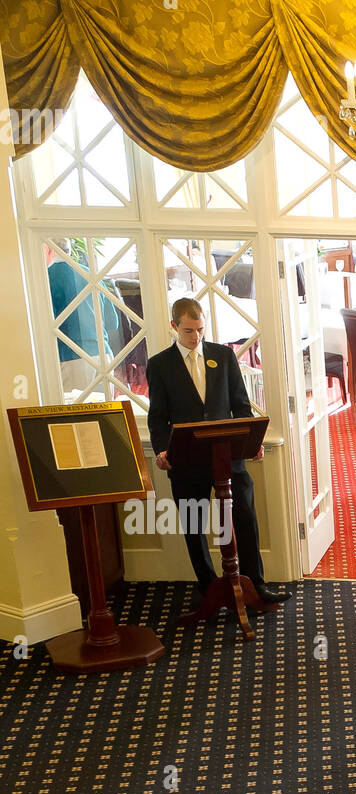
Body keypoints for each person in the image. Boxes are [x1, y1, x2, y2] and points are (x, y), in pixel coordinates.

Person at [146, 296, 288, 606]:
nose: (195, 337)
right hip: (186, 460)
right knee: (195, 524)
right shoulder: (159, 365)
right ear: (174, 327)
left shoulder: (223, 357)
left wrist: (251, 442)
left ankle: (257, 585)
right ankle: (208, 588)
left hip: (228, 457)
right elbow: (157, 417)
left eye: (200, 330)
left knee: (244, 518)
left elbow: (240, 405)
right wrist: (161, 451)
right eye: (188, 331)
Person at [45, 241, 120, 397]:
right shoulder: (92, 275)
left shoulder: (46, 278)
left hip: (69, 358)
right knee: (106, 414)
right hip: (103, 355)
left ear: (48, 249)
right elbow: (113, 322)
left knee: (75, 415)